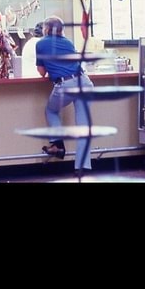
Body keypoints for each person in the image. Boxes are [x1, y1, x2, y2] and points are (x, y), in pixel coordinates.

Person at [35, 15, 94, 176]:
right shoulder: (68, 42)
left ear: (46, 29)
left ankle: (58, 145)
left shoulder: (40, 43)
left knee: (51, 110)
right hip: (84, 82)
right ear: (62, 30)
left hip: (65, 85)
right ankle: (83, 168)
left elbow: (41, 72)